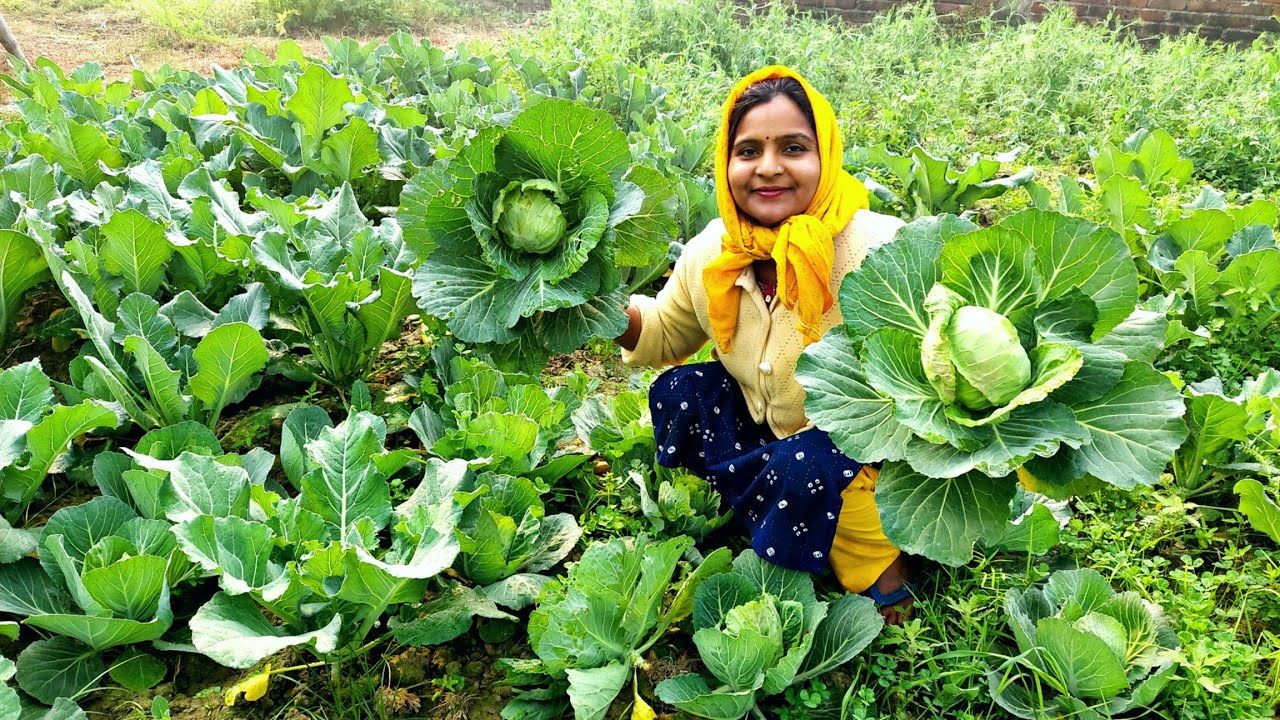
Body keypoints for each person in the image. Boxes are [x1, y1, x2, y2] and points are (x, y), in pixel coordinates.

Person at [616, 66, 913, 623]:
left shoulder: (883, 250)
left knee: (807, 466)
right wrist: (599, 305)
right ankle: (735, 511)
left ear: (824, 157)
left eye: (794, 148)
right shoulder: (714, 251)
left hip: (862, 448)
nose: (768, 167)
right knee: (682, 388)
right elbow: (664, 334)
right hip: (767, 418)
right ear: (725, 164)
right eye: (748, 150)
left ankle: (877, 564)